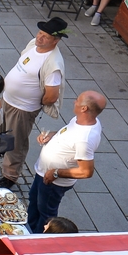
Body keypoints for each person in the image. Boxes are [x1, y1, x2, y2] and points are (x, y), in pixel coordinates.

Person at [0, 19, 68, 190]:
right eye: (40, 33)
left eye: (46, 36)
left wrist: (33, 100)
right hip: (7, 99)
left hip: (23, 108)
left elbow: (51, 96)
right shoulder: (33, 44)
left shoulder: (53, 63)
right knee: (2, 131)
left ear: (56, 40)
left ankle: (10, 175)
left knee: (16, 142)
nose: (39, 37)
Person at [29, 90, 106, 233]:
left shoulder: (84, 139)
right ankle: (28, 231)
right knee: (34, 202)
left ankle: (38, 239)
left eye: (77, 100)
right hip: (43, 173)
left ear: (84, 108)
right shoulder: (80, 120)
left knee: (46, 214)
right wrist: (52, 135)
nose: (74, 102)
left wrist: (56, 173)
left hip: (53, 182)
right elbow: (68, 134)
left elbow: (86, 171)